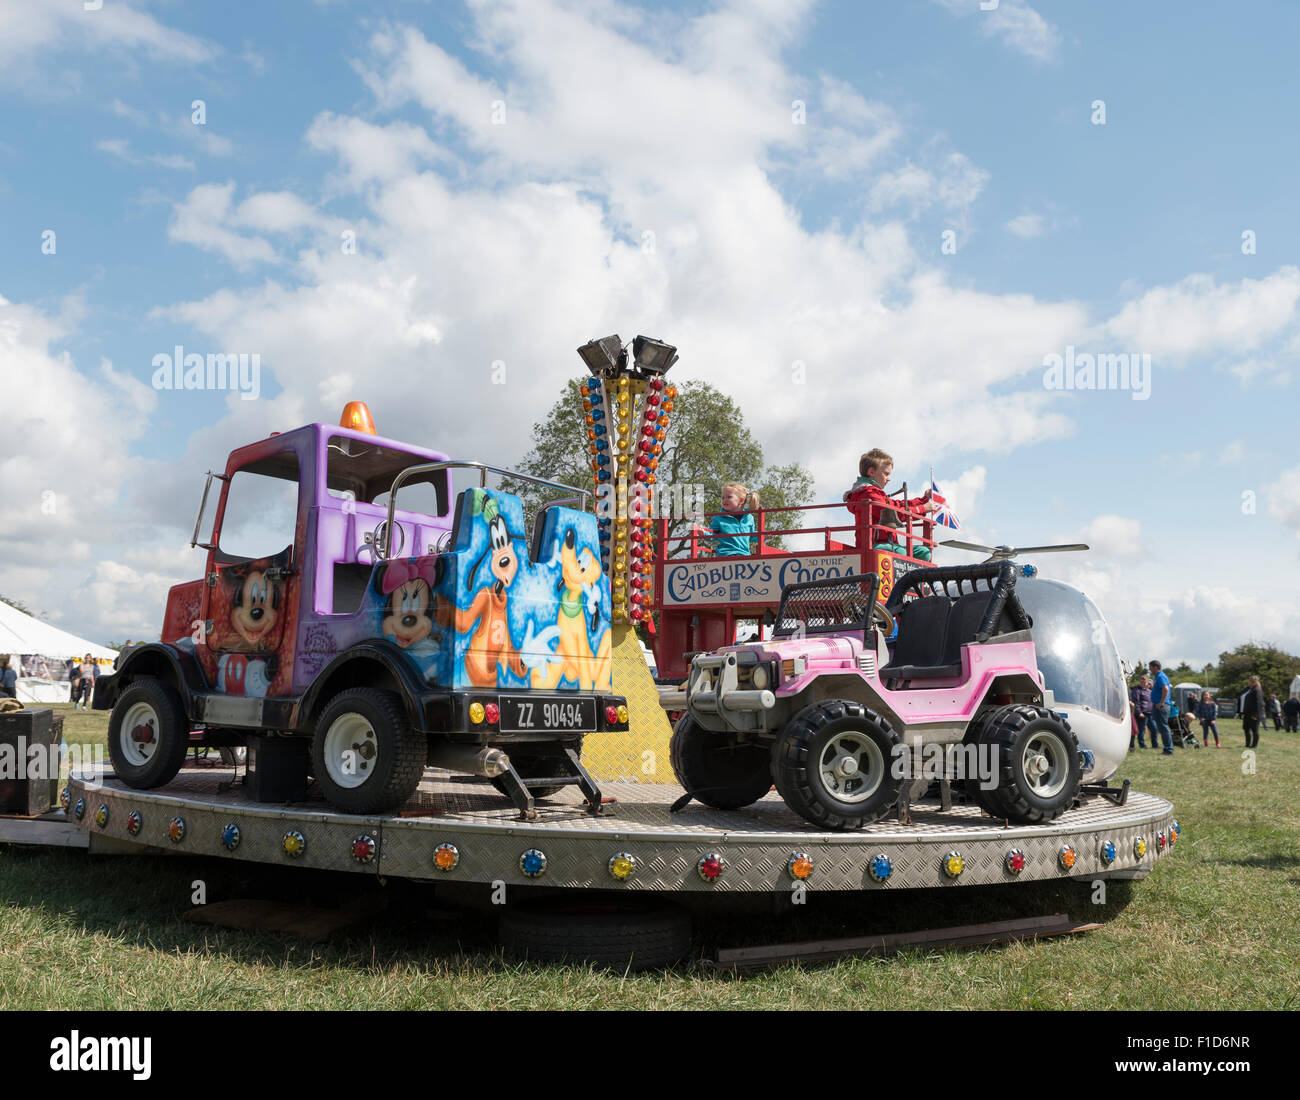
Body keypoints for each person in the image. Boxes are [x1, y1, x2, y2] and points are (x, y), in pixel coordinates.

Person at [844, 448, 936, 561]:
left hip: (889, 545)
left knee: (924, 552)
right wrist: (922, 508)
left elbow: (897, 505)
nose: (889, 479)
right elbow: (894, 514)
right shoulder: (868, 495)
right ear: (871, 472)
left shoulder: (877, 495)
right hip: (874, 545)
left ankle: (909, 577)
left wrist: (923, 500)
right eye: (886, 474)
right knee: (902, 553)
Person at [702, 482, 758, 557]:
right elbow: (712, 535)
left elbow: (751, 535)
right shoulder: (719, 518)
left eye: (729, 497)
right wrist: (703, 532)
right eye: (723, 498)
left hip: (744, 554)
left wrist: (763, 536)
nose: (725, 500)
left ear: (741, 500)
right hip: (726, 553)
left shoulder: (749, 517)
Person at [1148, 660, 1175, 755]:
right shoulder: (1159, 677)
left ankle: (1169, 749)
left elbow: (1165, 689)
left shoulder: (1160, 676)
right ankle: (1168, 748)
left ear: (1155, 667)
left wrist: (1161, 702)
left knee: (1163, 728)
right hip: (1161, 705)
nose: (1149, 669)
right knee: (1162, 728)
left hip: (1162, 706)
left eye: (1150, 667)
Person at [1241, 675, 1265, 749]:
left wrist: (1256, 714)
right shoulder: (1250, 689)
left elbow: (1259, 703)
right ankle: (1247, 744)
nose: (1249, 683)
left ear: (1254, 682)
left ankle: (1254, 745)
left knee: (1255, 730)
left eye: (1250, 681)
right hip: (1247, 713)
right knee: (1246, 728)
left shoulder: (1257, 690)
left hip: (1254, 714)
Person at [1130, 676, 1153, 749]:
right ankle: (1142, 744)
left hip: (1150, 713)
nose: (1143, 683)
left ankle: (1155, 744)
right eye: (1141, 681)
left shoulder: (1149, 691)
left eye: (1145, 681)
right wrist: (1139, 712)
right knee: (1141, 729)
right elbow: (1136, 702)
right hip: (1142, 713)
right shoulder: (1136, 690)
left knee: (1154, 729)